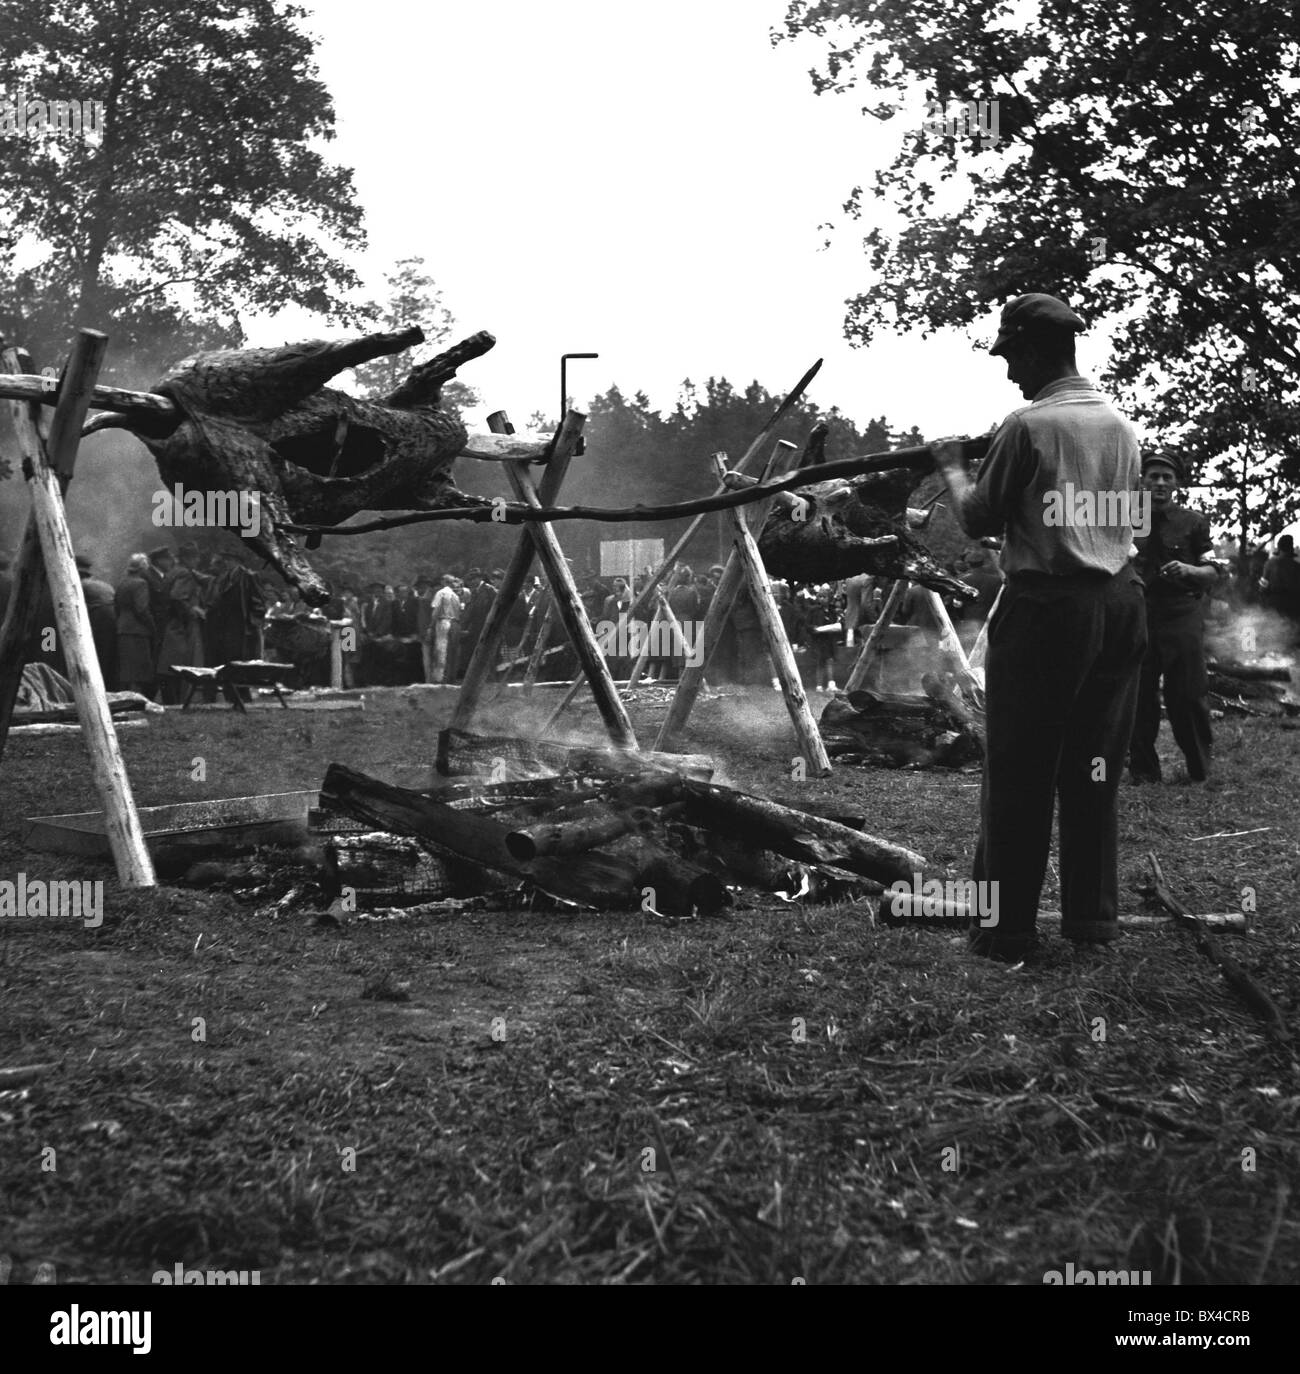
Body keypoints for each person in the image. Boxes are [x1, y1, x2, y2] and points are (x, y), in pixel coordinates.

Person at [933, 292, 1147, 962]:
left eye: (1011, 356)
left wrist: (951, 465)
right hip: (1119, 602)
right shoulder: (1120, 426)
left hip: (1050, 609)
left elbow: (979, 517)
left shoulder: (1028, 424)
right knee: (1091, 767)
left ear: (1032, 349)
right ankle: (1090, 920)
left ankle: (1006, 931)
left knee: (1019, 771)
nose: (1008, 372)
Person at [1128, 453, 1221, 784]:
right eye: (1153, 476)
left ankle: (1199, 769)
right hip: (1139, 614)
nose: (1160, 483)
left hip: (1181, 614)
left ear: (1177, 483)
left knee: (1188, 693)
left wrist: (1189, 569)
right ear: (1142, 480)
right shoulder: (1125, 518)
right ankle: (1142, 770)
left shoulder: (1193, 522)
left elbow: (1213, 571)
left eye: (1167, 477)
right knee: (1138, 694)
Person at [155, 542, 212, 704]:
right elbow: (177, 597)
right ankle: (180, 701)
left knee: (168, 664)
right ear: (189, 558)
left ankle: (173, 700)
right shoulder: (185, 574)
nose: (197, 561)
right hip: (181, 626)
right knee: (183, 663)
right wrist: (193, 611)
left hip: (169, 622)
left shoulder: (172, 572)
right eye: (196, 558)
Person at [115, 554, 156, 696]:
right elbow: (141, 609)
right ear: (142, 568)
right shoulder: (141, 583)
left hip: (123, 628)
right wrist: (152, 626)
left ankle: (125, 698)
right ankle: (137, 700)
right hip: (137, 630)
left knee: (127, 669)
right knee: (139, 670)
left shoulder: (123, 582)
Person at [76, 553, 119, 690]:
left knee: (95, 657)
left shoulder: (79, 586)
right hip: (113, 623)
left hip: (97, 623)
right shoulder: (104, 585)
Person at [424, 573, 462, 683]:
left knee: (441, 649)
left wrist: (431, 625)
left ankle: (440, 678)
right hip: (455, 622)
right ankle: (451, 677)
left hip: (443, 621)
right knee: (452, 650)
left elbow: (435, 611)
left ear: (443, 582)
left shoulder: (441, 593)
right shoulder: (455, 595)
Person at [1260, 534, 1300, 637]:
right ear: (1291, 549)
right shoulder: (1297, 567)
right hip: (1293, 610)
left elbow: (1262, 588)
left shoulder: (1269, 564)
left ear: (1279, 548)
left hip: (1274, 607)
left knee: (1274, 638)